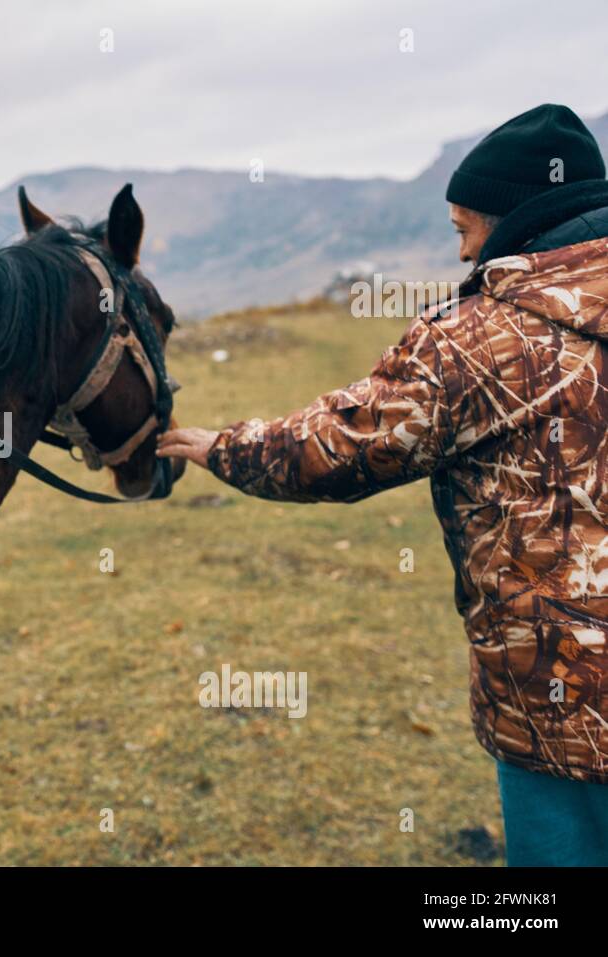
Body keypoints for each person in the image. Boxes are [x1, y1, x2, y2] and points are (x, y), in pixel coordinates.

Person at [159, 104, 608, 866]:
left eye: (466, 231)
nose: (463, 252)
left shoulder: (476, 340)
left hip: (558, 695)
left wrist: (222, 446)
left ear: (511, 224)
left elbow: (345, 446)